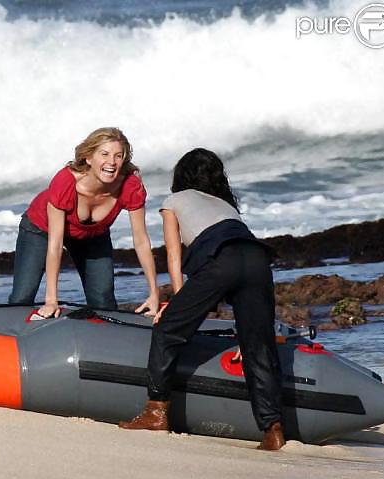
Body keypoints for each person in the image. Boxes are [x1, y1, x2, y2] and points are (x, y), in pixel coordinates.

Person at [119, 148, 285, 450]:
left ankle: (156, 412)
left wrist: (177, 302)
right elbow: (240, 271)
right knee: (257, 348)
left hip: (222, 261)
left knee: (168, 329)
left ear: (181, 175)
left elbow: (173, 253)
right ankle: (272, 430)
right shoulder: (225, 206)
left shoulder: (174, 201)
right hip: (258, 259)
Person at [8, 127, 158, 318]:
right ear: (88, 157)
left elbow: (141, 241)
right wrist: (51, 300)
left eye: (118, 156)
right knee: (22, 298)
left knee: (103, 302)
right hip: (41, 230)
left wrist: (154, 294)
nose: (111, 162)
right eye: (104, 154)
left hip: (92, 236)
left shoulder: (130, 186)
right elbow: (55, 245)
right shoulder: (66, 182)